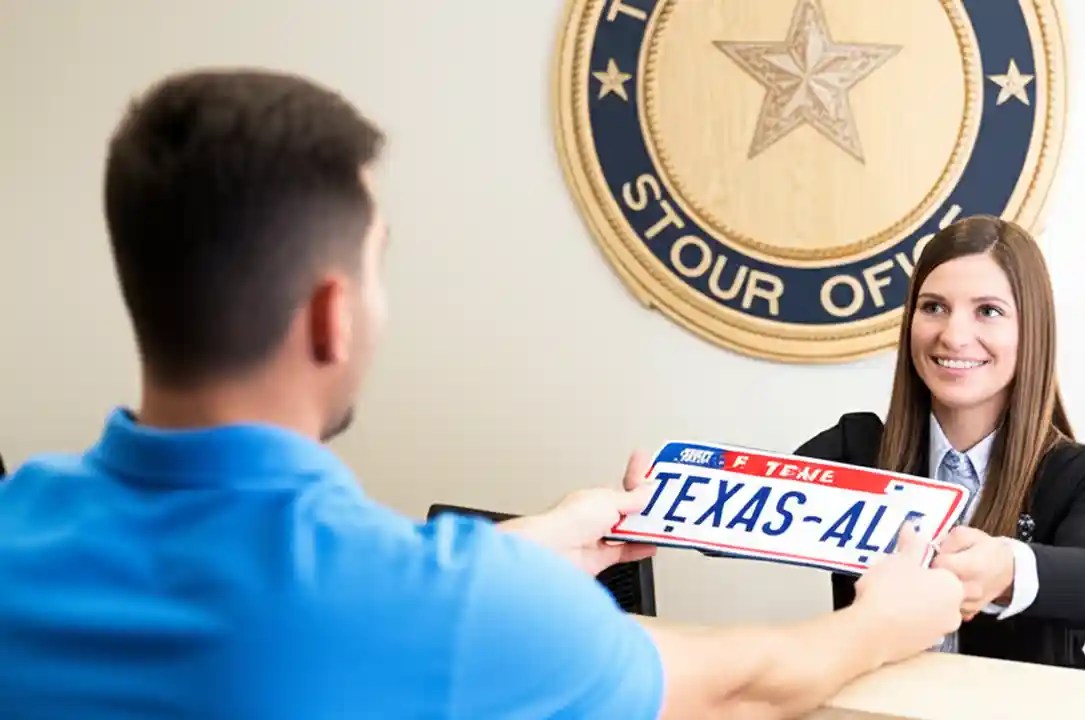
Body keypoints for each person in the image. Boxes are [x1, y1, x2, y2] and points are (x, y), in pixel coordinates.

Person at [0, 68, 965, 719]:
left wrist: (550, 536)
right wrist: (882, 620)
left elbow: (391, 592)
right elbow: (747, 685)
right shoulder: (460, 613)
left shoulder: (19, 525)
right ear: (334, 313)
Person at [795, 215, 1085, 670]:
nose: (953, 336)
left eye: (988, 311)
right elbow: (738, 504)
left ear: (1031, 330)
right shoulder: (857, 449)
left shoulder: (1084, 473)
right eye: (934, 307)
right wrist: (667, 502)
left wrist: (1007, 569)